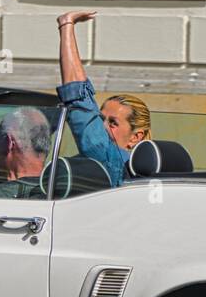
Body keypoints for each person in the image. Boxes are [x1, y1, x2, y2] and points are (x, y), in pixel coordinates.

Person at [56, 11, 149, 187]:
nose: (102, 126)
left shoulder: (112, 163)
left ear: (135, 137)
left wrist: (66, 25)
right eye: (101, 118)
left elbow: (78, 98)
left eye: (113, 123)